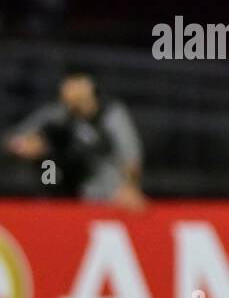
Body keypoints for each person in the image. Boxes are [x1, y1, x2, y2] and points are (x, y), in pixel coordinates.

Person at [4, 72, 146, 208]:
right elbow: (17, 137)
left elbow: (131, 157)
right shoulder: (59, 113)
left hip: (105, 188)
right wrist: (25, 146)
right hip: (65, 184)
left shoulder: (110, 114)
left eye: (75, 88)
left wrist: (129, 187)